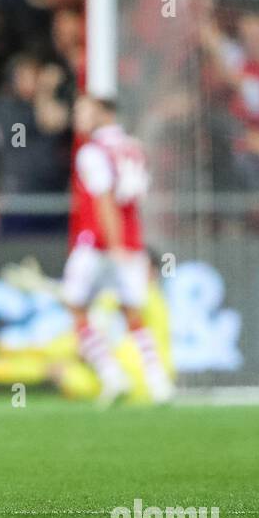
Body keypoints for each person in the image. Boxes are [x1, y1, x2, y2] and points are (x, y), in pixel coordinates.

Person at [62, 96, 172, 405]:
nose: (77, 116)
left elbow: (105, 200)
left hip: (99, 244)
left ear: (105, 113)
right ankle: (158, 381)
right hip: (133, 242)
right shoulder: (133, 147)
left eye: (83, 110)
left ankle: (112, 375)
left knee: (74, 307)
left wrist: (113, 245)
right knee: (132, 314)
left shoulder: (92, 152)